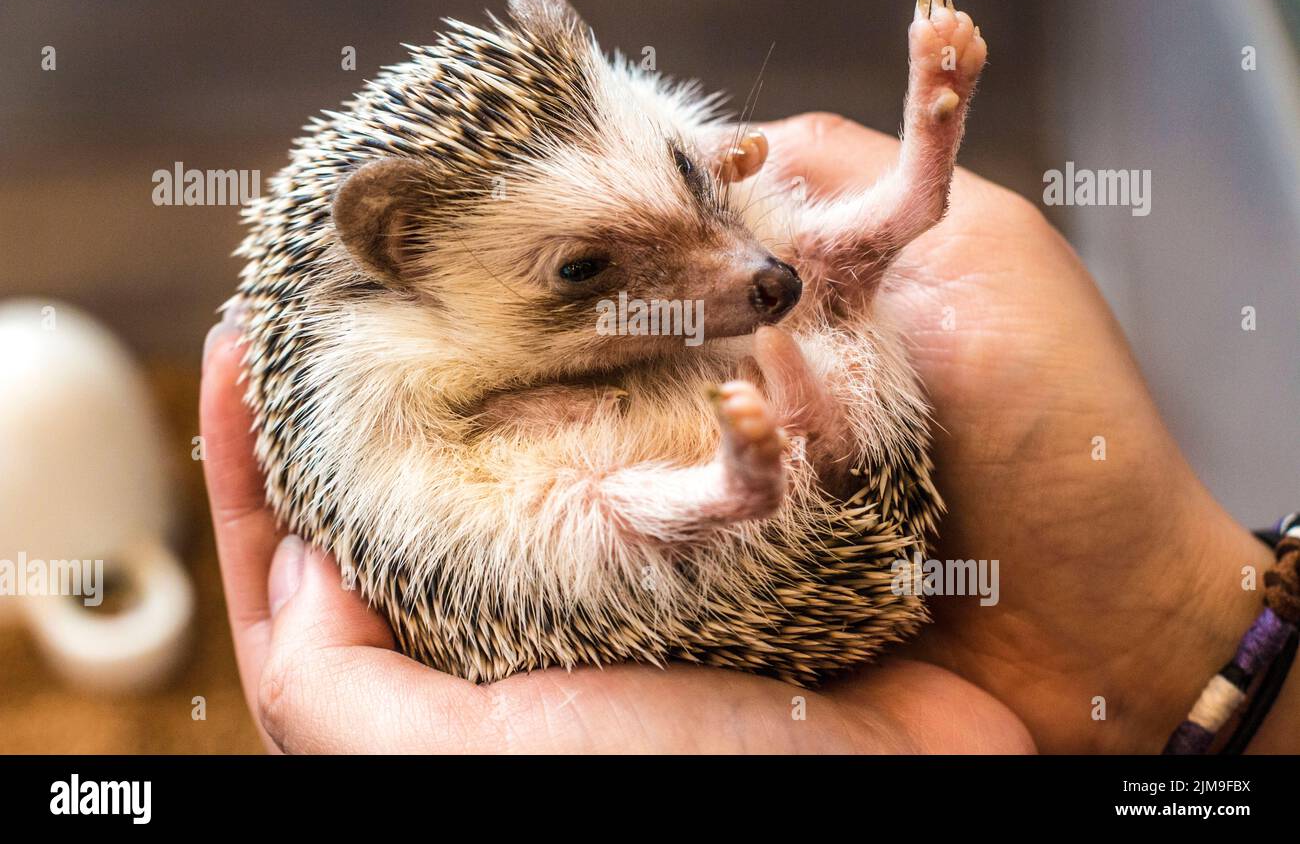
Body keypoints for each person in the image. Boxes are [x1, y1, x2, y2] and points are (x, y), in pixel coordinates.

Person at [201, 113, 1288, 753]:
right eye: (580, 268)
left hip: (799, 488)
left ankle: (735, 473)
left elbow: (795, 257)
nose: (741, 274)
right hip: (654, 511)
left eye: (678, 182)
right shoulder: (383, 395)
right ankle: (723, 486)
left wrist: (1168, 644)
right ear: (404, 261)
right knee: (570, 510)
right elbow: (517, 522)